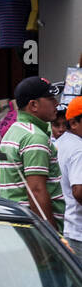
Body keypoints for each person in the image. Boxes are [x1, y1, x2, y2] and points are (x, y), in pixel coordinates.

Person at [0, 77, 64, 232]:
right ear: (33, 105)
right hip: (34, 228)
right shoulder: (34, 137)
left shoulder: (15, 130)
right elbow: (36, 190)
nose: (56, 103)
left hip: (20, 223)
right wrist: (52, 236)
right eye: (50, 99)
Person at [56, 97, 82, 254]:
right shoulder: (79, 149)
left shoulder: (61, 143)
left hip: (67, 227)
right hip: (78, 232)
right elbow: (79, 191)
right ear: (73, 123)